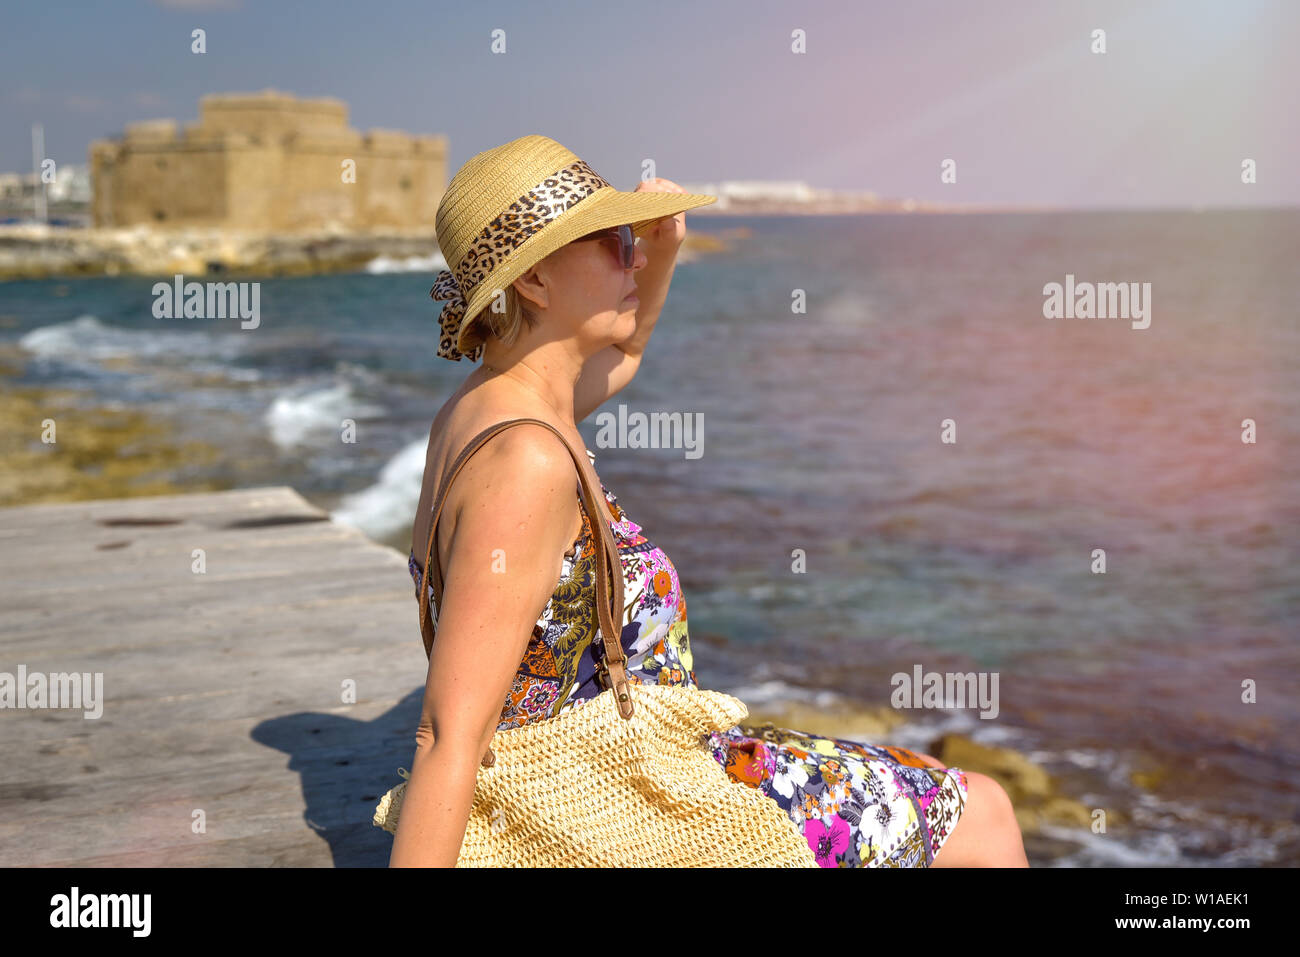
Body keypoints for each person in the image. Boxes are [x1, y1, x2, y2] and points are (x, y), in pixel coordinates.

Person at [390, 134, 1028, 868]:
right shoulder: (528, 458)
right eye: (610, 242)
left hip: (627, 764)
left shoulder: (488, 405)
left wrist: (660, 252)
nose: (630, 256)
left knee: (931, 782)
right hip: (608, 798)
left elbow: (623, 355)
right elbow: (445, 732)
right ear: (533, 281)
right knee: (980, 812)